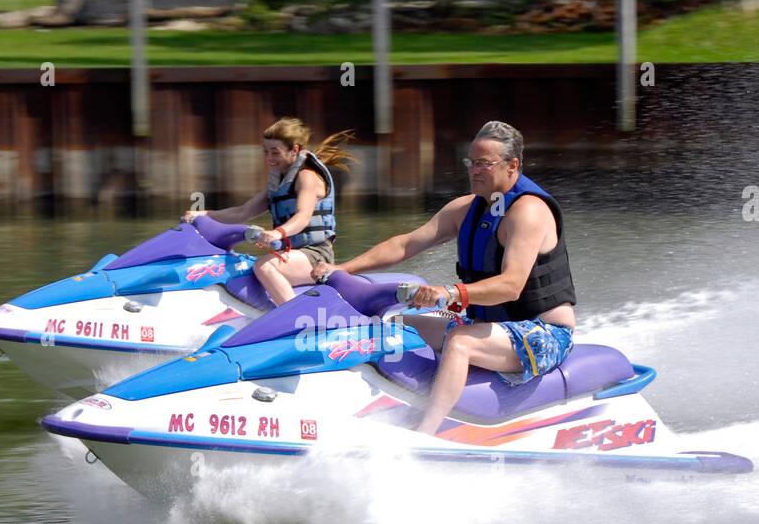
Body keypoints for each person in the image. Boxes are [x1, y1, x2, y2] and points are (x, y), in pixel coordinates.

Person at [312, 120, 576, 436]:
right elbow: (406, 243)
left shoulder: (528, 212)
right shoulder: (467, 209)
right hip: (490, 327)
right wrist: (342, 268)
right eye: (471, 162)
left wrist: (450, 293)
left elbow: (511, 284)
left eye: (484, 163)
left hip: (544, 333)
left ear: (512, 166)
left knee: (459, 342)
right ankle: (358, 402)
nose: (474, 170)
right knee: (391, 326)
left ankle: (427, 433)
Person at [182, 118, 356, 305]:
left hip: (315, 255)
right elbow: (243, 213)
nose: (269, 158)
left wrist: (277, 233)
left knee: (264, 265)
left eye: (275, 152)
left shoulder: (308, 177)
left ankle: (293, 317)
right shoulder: (279, 183)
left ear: (294, 150)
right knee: (240, 266)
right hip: (292, 254)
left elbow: (303, 217)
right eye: (266, 152)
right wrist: (205, 215)